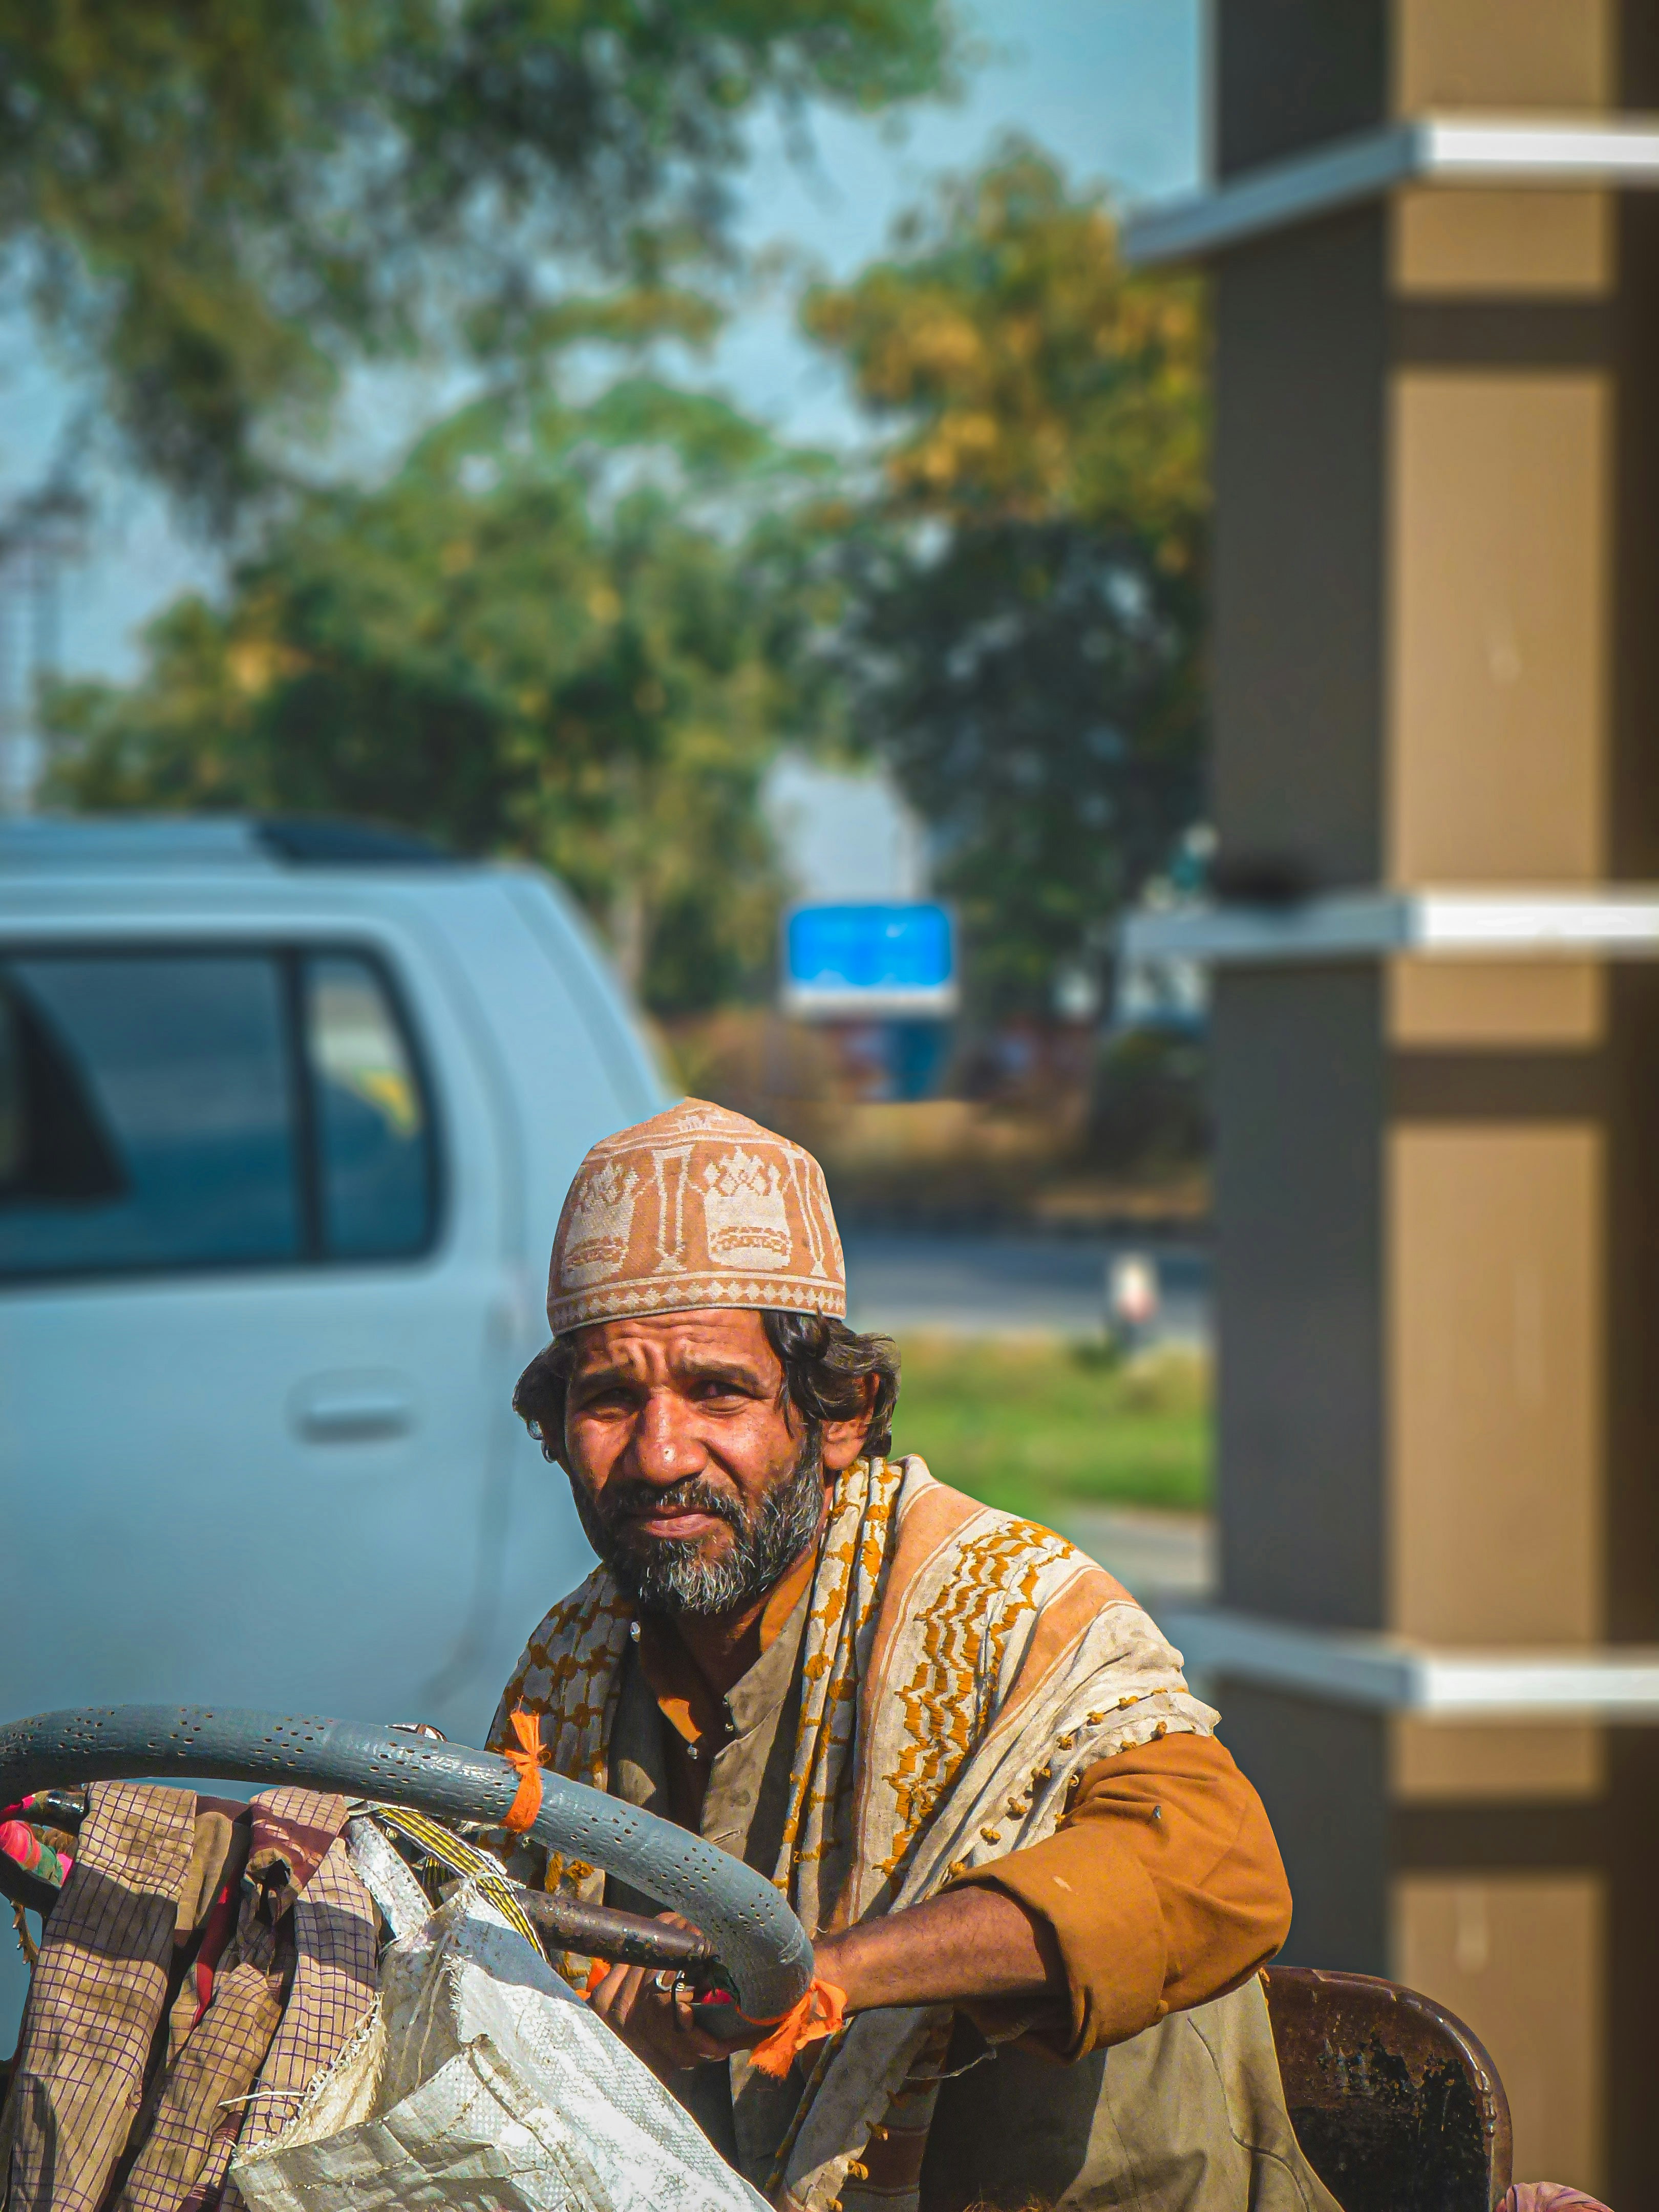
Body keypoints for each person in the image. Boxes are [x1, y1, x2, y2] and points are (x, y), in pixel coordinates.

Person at [488, 1100, 1337, 2212]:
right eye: (609, 1401)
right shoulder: (569, 1666)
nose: (659, 1453)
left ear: (839, 1415)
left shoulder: (1002, 1608)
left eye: (718, 1393)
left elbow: (1218, 1869)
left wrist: (821, 1975)